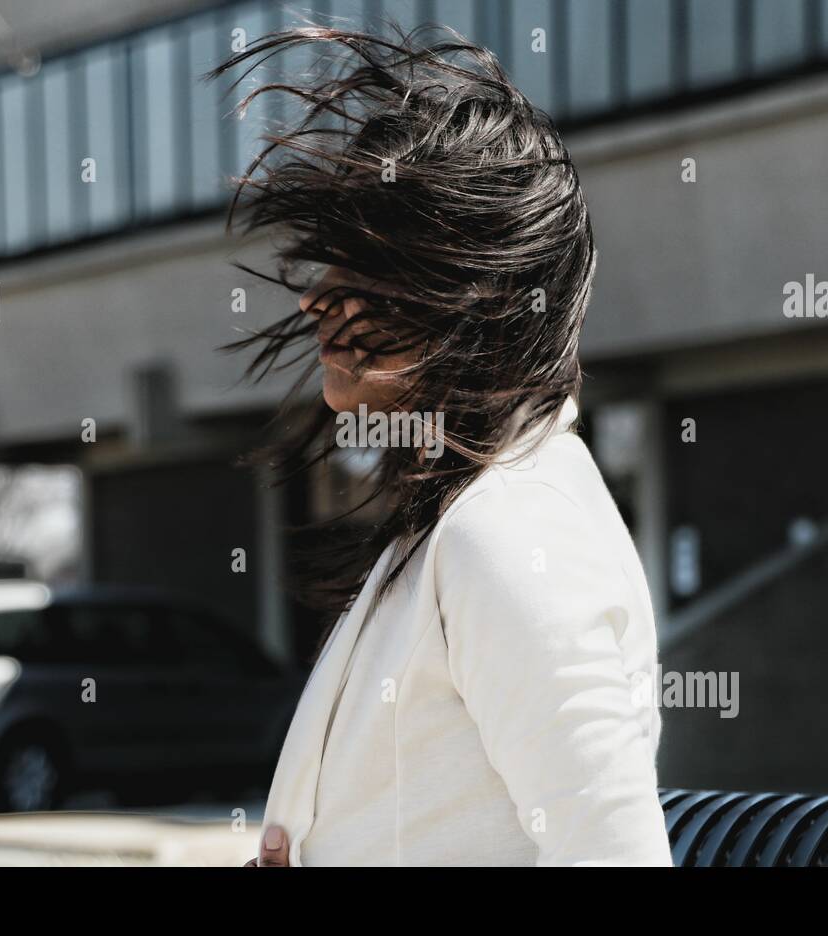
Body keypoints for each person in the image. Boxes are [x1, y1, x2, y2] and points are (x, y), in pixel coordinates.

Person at [213, 23, 672, 866]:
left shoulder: (508, 534)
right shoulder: (467, 516)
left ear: (466, 295)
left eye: (359, 267)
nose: (317, 302)